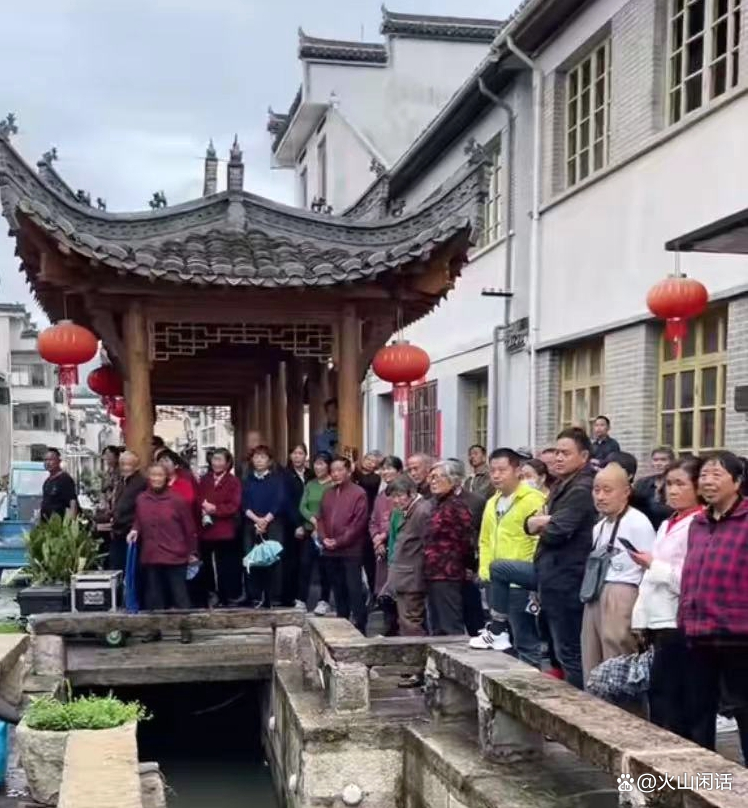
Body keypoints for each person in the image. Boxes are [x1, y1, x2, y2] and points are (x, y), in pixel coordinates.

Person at [678, 451, 748, 759]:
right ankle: (703, 782)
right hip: (698, 630)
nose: (708, 481)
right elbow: (690, 573)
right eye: (704, 475)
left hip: (738, 634)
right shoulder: (698, 523)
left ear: (737, 481)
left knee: (744, 710)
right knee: (697, 709)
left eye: (716, 475)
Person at [630, 456, 703, 739]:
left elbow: (688, 579)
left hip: (678, 620)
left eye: (680, 484)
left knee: (675, 699)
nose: (672, 491)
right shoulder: (667, 523)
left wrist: (653, 565)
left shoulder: (699, 524)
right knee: (660, 695)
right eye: (668, 484)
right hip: (657, 620)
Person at [526, 427, 597, 690]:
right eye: (556, 452)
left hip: (568, 577)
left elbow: (556, 531)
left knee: (570, 651)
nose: (558, 458)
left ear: (584, 455)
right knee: (557, 648)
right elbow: (529, 523)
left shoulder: (582, 488)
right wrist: (539, 521)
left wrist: (543, 522)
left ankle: (578, 709)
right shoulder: (561, 485)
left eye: (565, 453)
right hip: (551, 576)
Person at [581, 462, 656, 684]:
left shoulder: (638, 522)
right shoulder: (600, 525)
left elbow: (648, 570)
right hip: (595, 592)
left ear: (626, 492)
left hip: (623, 593)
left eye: (607, 490)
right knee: (591, 655)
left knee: (617, 658)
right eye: (596, 490)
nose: (600, 497)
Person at [470, 449, 545, 667]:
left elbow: (538, 540)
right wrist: (484, 570)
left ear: (518, 470)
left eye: (502, 470)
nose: (496, 476)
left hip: (520, 581)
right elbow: (484, 540)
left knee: (525, 639)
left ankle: (533, 688)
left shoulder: (532, 499)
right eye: (492, 470)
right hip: (495, 581)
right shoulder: (492, 502)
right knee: (500, 642)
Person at [128, 463, 196, 643]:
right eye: (153, 476)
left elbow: (189, 528)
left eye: (160, 476)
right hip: (151, 553)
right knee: (153, 594)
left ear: (166, 478)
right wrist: (135, 530)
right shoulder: (142, 499)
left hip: (175, 553)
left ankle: (185, 629)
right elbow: (138, 520)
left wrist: (193, 551)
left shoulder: (177, 500)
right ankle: (155, 629)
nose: (157, 479)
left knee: (179, 594)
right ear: (149, 478)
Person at [318, 457, 369, 633]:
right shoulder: (328, 493)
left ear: (349, 471)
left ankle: (361, 625)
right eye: (333, 471)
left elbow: (358, 523)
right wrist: (324, 538)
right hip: (330, 551)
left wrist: (339, 541)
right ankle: (342, 622)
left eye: (340, 470)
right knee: (338, 589)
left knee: (354, 588)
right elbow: (321, 519)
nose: (336, 474)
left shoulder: (358, 493)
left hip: (350, 550)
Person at [424, 460, 473, 636]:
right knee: (436, 626)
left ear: (453, 480)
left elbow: (466, 541)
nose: (433, 481)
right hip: (432, 571)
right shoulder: (436, 504)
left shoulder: (457, 506)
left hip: (448, 572)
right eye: (431, 477)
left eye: (438, 477)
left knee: (450, 625)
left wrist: (467, 566)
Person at [197, 448, 242, 607]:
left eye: (220, 460)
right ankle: (211, 593)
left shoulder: (233, 481)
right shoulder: (205, 479)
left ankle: (228, 596)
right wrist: (203, 508)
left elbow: (234, 505)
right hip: (207, 529)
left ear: (228, 462)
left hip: (225, 529)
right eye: (214, 459)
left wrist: (215, 509)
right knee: (207, 564)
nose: (216, 463)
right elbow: (198, 497)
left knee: (226, 565)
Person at [387, 474, 431, 637]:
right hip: (405, 577)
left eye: (399, 496)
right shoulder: (409, 510)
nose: (395, 500)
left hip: (413, 578)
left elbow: (428, 545)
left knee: (411, 622)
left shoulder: (421, 511)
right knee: (405, 621)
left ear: (411, 493)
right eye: (393, 496)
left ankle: (415, 659)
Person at [241, 445, 285, 608]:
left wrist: (265, 520)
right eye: (256, 457)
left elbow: (279, 501)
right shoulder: (247, 480)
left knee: (273, 559)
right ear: (252, 460)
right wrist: (257, 521)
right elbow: (244, 504)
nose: (259, 460)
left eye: (263, 457)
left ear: (269, 460)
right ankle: (254, 595)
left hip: (273, 524)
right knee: (252, 560)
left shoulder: (276, 480)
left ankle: (272, 596)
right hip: (251, 523)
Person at [370, 456, 404, 634]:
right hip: (381, 550)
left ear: (399, 471)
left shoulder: (405, 493)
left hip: (398, 550)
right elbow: (374, 520)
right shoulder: (381, 496)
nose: (386, 472)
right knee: (383, 592)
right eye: (383, 469)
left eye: (390, 468)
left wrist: (384, 537)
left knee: (398, 593)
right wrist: (376, 538)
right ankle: (388, 627)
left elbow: (400, 520)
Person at [299, 452, 334, 615]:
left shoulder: (333, 485)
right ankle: (301, 600)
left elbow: (332, 508)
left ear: (328, 466)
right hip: (309, 532)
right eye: (316, 464)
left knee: (325, 568)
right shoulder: (310, 484)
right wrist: (313, 521)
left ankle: (324, 600)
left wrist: (319, 524)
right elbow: (302, 506)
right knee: (305, 565)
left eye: (322, 463)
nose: (318, 467)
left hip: (326, 532)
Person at [283, 444, 314, 608]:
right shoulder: (284, 475)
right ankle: (291, 597)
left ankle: (304, 597)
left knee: (306, 563)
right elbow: (286, 502)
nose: (297, 456)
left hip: (310, 524)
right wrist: (297, 524)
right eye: (294, 453)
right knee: (292, 562)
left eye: (300, 453)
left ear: (306, 456)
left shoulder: (311, 474)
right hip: (291, 526)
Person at [109, 451, 147, 574]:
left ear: (137, 466)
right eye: (122, 464)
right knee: (118, 568)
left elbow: (140, 509)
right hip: (118, 531)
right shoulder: (121, 481)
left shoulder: (141, 482)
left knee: (131, 571)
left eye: (129, 464)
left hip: (131, 532)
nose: (125, 467)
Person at [353, 452, 383, 604]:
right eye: (368, 459)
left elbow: (366, 483)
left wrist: (354, 471)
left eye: (374, 462)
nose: (370, 463)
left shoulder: (375, 478)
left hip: (367, 523)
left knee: (369, 561)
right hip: (352, 522)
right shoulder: (353, 475)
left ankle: (374, 593)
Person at [632, 447, 676, 531]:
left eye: (663, 460)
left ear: (672, 462)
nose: (658, 463)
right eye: (655, 460)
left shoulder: (675, 485)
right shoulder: (642, 483)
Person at [41, 448, 78, 521]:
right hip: (48, 524)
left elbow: (72, 501)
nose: (47, 463)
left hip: (60, 524)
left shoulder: (65, 479)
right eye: (45, 460)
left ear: (59, 461)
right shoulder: (47, 481)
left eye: (51, 460)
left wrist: (72, 523)